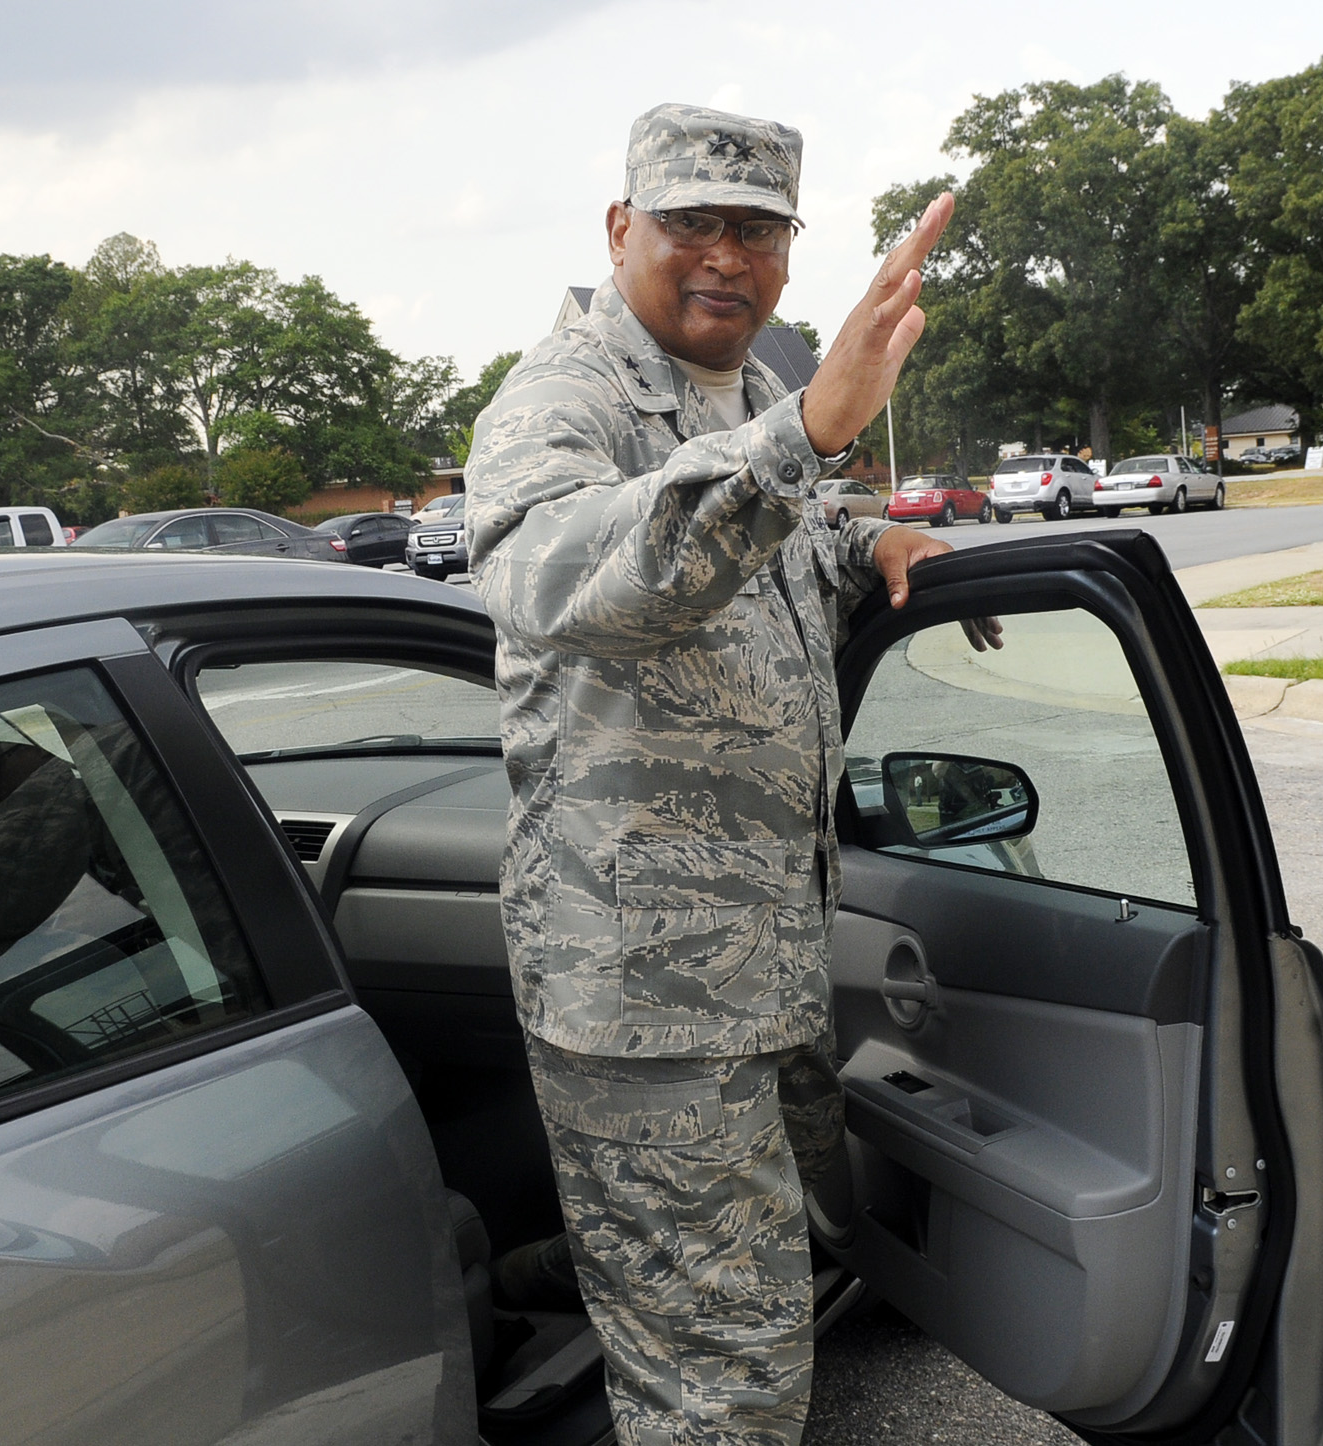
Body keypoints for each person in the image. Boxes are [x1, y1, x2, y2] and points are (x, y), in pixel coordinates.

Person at [465, 102, 995, 1445]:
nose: (725, 254)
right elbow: (578, 575)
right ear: (620, 228)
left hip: (762, 968)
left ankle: (517, 1278)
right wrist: (808, 436)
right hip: (645, 1005)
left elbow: (775, 556)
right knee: (726, 1390)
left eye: (758, 228)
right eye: (692, 219)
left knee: (757, 1279)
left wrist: (876, 540)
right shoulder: (560, 400)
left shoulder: (750, 393)